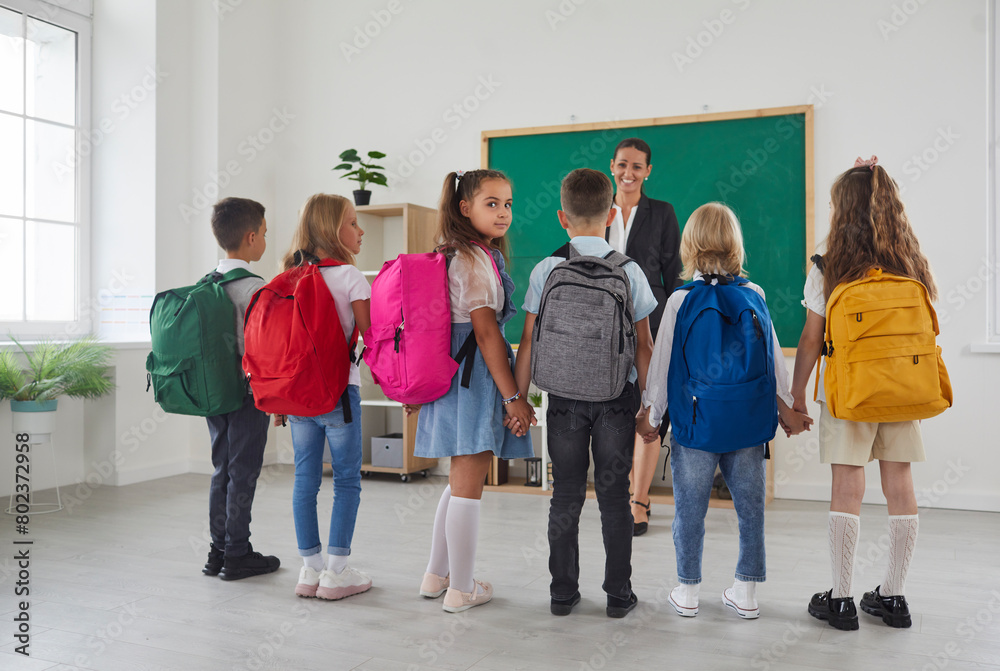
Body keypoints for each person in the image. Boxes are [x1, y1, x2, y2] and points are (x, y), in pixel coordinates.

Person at [637, 202, 811, 620]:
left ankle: (688, 590)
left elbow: (662, 365)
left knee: (689, 510)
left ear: (689, 246)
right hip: (748, 424)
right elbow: (772, 361)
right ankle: (747, 591)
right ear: (736, 245)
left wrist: (651, 415)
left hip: (696, 426)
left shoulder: (680, 300)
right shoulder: (755, 295)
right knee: (750, 509)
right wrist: (786, 407)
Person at [793, 157, 936, 630]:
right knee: (900, 483)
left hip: (847, 389)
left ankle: (840, 599)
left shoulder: (827, 262)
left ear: (842, 209)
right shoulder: (907, 259)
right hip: (902, 386)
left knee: (846, 485)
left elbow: (812, 338)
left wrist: (796, 394)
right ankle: (894, 597)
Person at [514, 168, 656, 618]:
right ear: (612, 213)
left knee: (566, 494)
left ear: (562, 217)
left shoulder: (546, 269)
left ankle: (561, 592)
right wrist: (651, 408)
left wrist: (518, 399)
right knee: (615, 497)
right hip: (617, 399)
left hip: (563, 401)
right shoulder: (630, 271)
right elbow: (645, 347)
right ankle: (618, 595)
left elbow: (530, 342)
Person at [408, 169, 535, 614]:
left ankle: (436, 574)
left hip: (453, 375)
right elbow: (486, 334)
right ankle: (462, 589)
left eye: (508, 204)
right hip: (473, 378)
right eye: (491, 203)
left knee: (459, 479)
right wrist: (511, 396)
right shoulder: (473, 259)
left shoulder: (455, 253)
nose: (503, 213)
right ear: (465, 207)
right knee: (468, 485)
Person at [282, 194, 373, 601]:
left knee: (305, 480)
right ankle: (336, 572)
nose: (360, 231)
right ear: (333, 230)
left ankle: (308, 569)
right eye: (353, 223)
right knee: (347, 480)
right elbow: (371, 339)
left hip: (297, 398)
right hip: (339, 394)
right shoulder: (352, 278)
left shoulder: (287, 276)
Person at [607, 138, 683, 536]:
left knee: (650, 409)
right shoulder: (598, 212)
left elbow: (673, 275)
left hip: (649, 326)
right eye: (622, 165)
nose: (629, 173)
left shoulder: (663, 214)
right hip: (603, 327)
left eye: (637, 167)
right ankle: (621, 494)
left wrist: (669, 326)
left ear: (648, 171)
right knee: (613, 411)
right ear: (612, 166)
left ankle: (639, 501)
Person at [204, 197, 281, 581]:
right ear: (251, 238)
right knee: (244, 470)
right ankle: (237, 554)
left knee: (222, 468)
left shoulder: (207, 283)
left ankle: (218, 550)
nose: (265, 240)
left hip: (213, 392)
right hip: (249, 394)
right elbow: (267, 349)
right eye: (265, 234)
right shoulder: (255, 288)